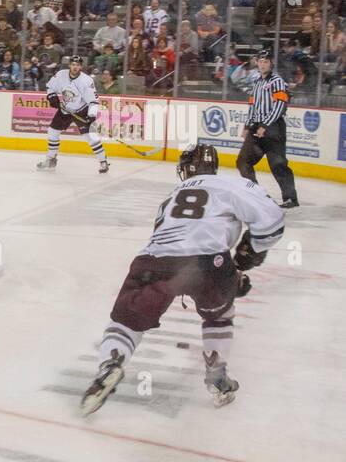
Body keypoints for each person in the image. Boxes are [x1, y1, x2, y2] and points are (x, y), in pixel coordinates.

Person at [80, 143, 285, 415]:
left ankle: (110, 366)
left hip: (153, 262)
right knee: (218, 315)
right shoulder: (232, 184)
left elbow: (172, 238)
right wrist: (247, 256)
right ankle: (217, 373)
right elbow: (272, 220)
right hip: (210, 263)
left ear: (188, 168)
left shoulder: (171, 196)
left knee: (127, 322)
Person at [239, 50, 299, 208]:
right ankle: (255, 194)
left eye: (266, 61)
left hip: (274, 129)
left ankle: (291, 198)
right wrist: (247, 125)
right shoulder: (256, 81)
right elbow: (252, 106)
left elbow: (280, 106)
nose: (263, 64)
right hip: (256, 127)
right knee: (243, 161)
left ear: (271, 63)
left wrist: (265, 125)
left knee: (277, 164)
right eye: (260, 61)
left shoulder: (277, 81)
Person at [36, 56, 109, 174]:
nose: (75, 67)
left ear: (81, 66)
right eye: (73, 64)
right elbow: (50, 87)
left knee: (90, 136)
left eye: (78, 65)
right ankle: (51, 160)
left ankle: (103, 161)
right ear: (69, 65)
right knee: (52, 131)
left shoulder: (86, 80)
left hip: (82, 110)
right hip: (65, 109)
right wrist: (52, 96)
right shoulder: (61, 75)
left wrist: (91, 115)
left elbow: (94, 101)